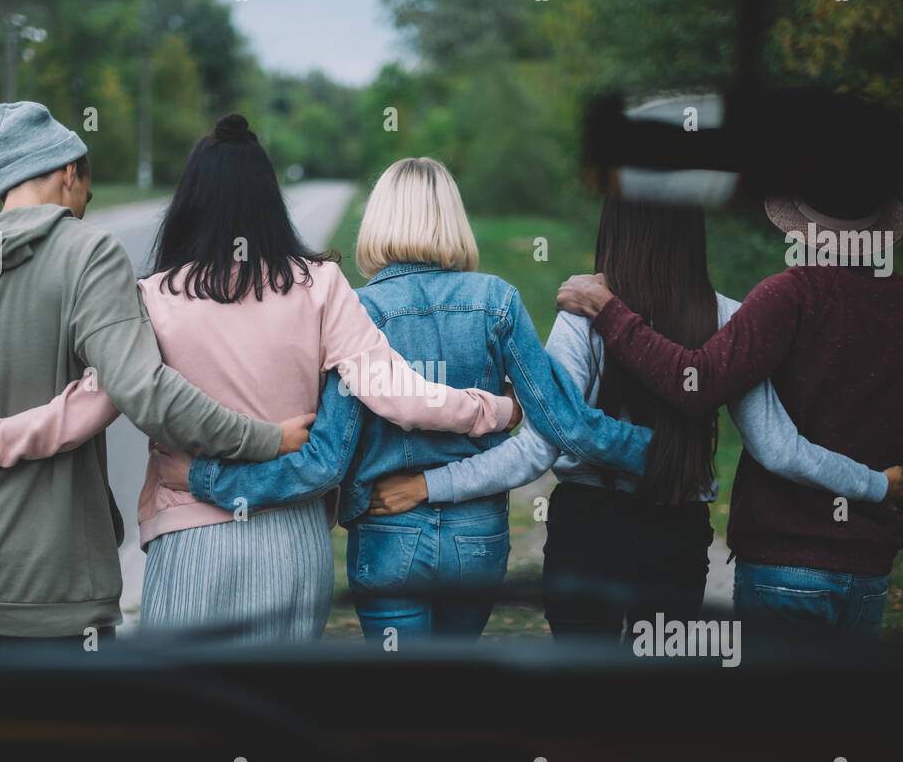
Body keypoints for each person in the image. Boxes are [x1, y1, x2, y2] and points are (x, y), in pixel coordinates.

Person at [0, 121, 519, 644]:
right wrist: (493, 410)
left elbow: (79, 411)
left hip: (191, 537)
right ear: (270, 202)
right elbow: (396, 392)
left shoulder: (151, 298)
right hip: (293, 542)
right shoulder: (322, 285)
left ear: (189, 203)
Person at [0, 101, 310, 655]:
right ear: (70, 171)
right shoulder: (89, 254)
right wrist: (265, 438)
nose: (84, 209)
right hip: (61, 583)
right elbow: (143, 389)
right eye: (86, 195)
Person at [164, 158, 663, 643]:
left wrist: (212, 480)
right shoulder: (499, 301)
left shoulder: (357, 311)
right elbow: (566, 424)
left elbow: (326, 462)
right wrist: (659, 455)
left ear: (378, 222)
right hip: (477, 536)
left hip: (388, 535)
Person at [371, 189, 903, 639]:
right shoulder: (729, 317)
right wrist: (873, 484)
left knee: (585, 706)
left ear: (615, 229)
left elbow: (538, 446)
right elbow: (778, 448)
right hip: (675, 530)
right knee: (657, 708)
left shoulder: (583, 311)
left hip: (588, 526)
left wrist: (428, 486)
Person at [557, 187, 903, 637]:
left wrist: (609, 313)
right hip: (860, 571)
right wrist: (880, 530)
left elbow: (692, 385)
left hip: (772, 563)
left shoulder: (786, 297)